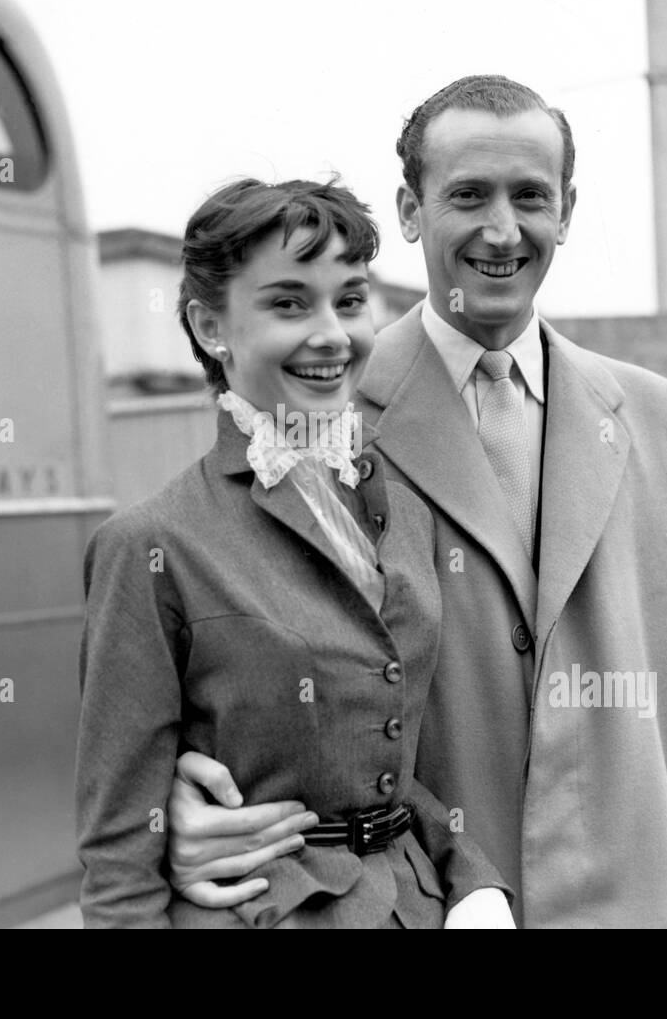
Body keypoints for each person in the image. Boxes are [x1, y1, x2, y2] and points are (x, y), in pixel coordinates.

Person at [164, 76, 667, 928]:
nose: (501, 230)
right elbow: (223, 668)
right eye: (467, 196)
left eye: (530, 197)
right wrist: (180, 805)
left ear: (566, 210)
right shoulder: (304, 412)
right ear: (411, 211)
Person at [75, 177, 515, 928]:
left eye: (348, 300)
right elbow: (120, 859)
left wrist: (471, 877)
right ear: (211, 327)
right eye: (288, 303)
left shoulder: (404, 507)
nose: (332, 334)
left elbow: (393, 768)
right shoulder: (149, 545)